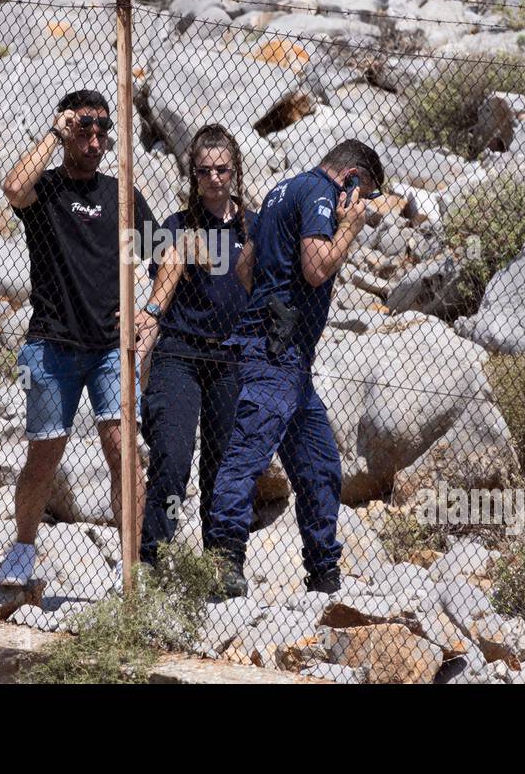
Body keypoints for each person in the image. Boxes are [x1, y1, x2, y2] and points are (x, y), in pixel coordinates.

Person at [205, 139, 385, 598]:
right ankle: (223, 566)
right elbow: (315, 267)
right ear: (353, 180)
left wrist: (268, 303)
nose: (362, 206)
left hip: (288, 360)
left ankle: (324, 576)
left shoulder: (283, 190)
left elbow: (246, 264)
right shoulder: (324, 194)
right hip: (275, 354)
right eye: (364, 195)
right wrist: (349, 228)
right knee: (246, 457)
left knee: (321, 465)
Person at [0, 89, 156, 586]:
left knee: (122, 452)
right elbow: (12, 188)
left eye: (101, 130)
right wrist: (51, 132)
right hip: (51, 344)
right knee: (44, 456)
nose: (94, 139)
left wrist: (149, 312)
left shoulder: (121, 194)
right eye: (83, 129)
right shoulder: (46, 191)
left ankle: (133, 571)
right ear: (68, 130)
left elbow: (165, 253)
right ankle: (22, 551)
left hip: (110, 347)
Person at [136, 125, 255, 567]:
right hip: (181, 354)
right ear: (193, 176)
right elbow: (160, 285)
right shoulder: (177, 227)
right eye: (205, 171)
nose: (215, 179)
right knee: (171, 456)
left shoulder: (252, 227)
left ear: (235, 170)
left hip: (232, 357)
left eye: (223, 169)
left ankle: (222, 564)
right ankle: (152, 560)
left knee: (225, 467)